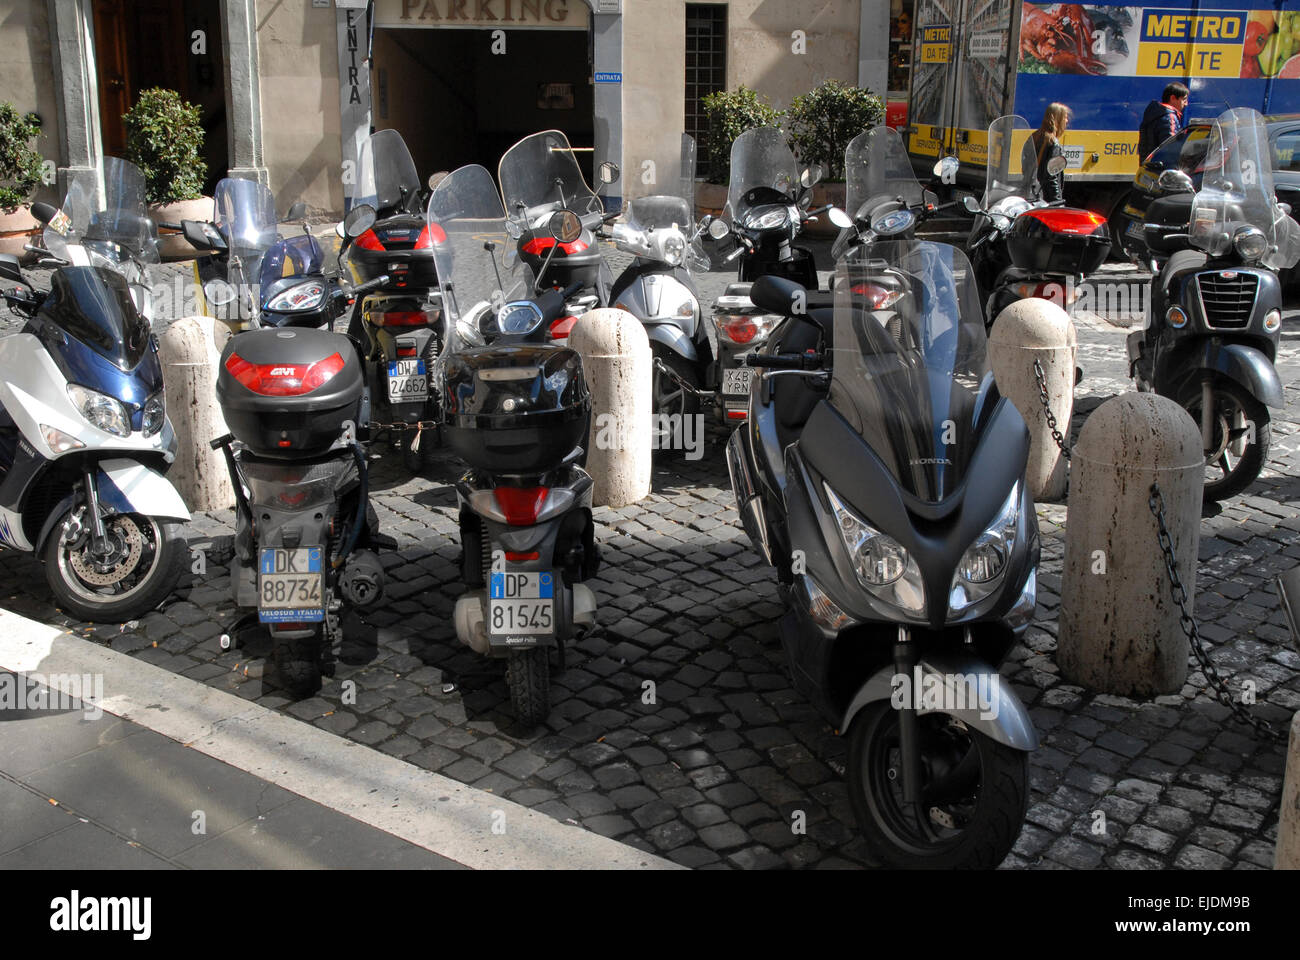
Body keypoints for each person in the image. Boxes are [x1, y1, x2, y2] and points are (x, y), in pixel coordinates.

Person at [1020, 103, 1070, 203]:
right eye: (1065, 117)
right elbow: (1051, 176)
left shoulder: (1034, 136)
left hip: (1029, 193)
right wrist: (1057, 202)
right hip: (1044, 198)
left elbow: (1025, 165)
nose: (1067, 120)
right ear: (1058, 119)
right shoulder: (1053, 142)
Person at [1137, 82, 1189, 162]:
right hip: (1162, 167)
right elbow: (1170, 147)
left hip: (1148, 165)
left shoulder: (1153, 113)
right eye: (1184, 99)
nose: (1186, 104)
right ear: (1173, 98)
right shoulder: (1169, 117)